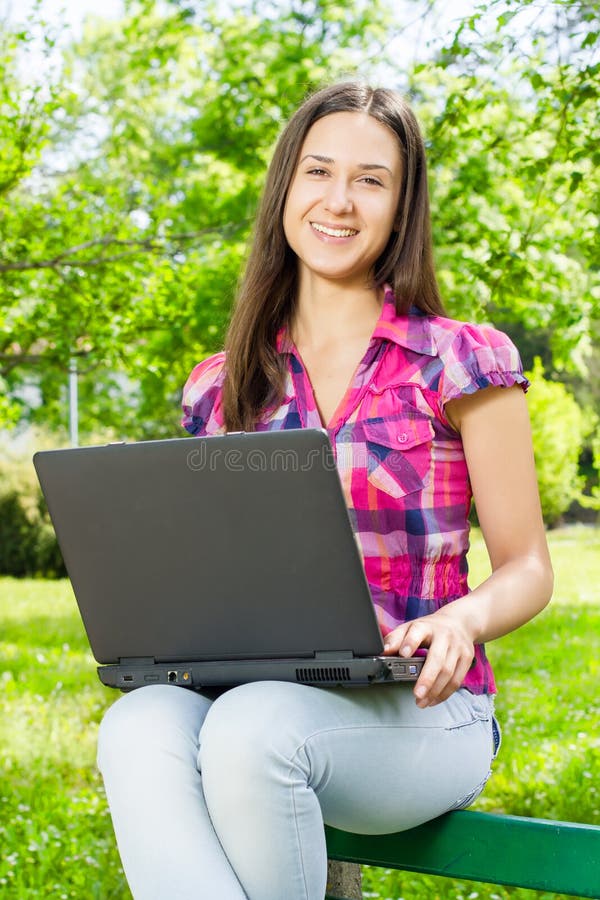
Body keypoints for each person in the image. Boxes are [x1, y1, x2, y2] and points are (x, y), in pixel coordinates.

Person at [97, 82, 554, 900]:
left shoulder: (464, 362)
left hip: (420, 712)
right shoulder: (222, 387)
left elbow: (528, 567)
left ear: (402, 205)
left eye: (371, 180)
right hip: (252, 694)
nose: (338, 201)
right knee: (137, 726)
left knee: (251, 731)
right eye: (318, 172)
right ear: (286, 189)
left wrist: (461, 619)